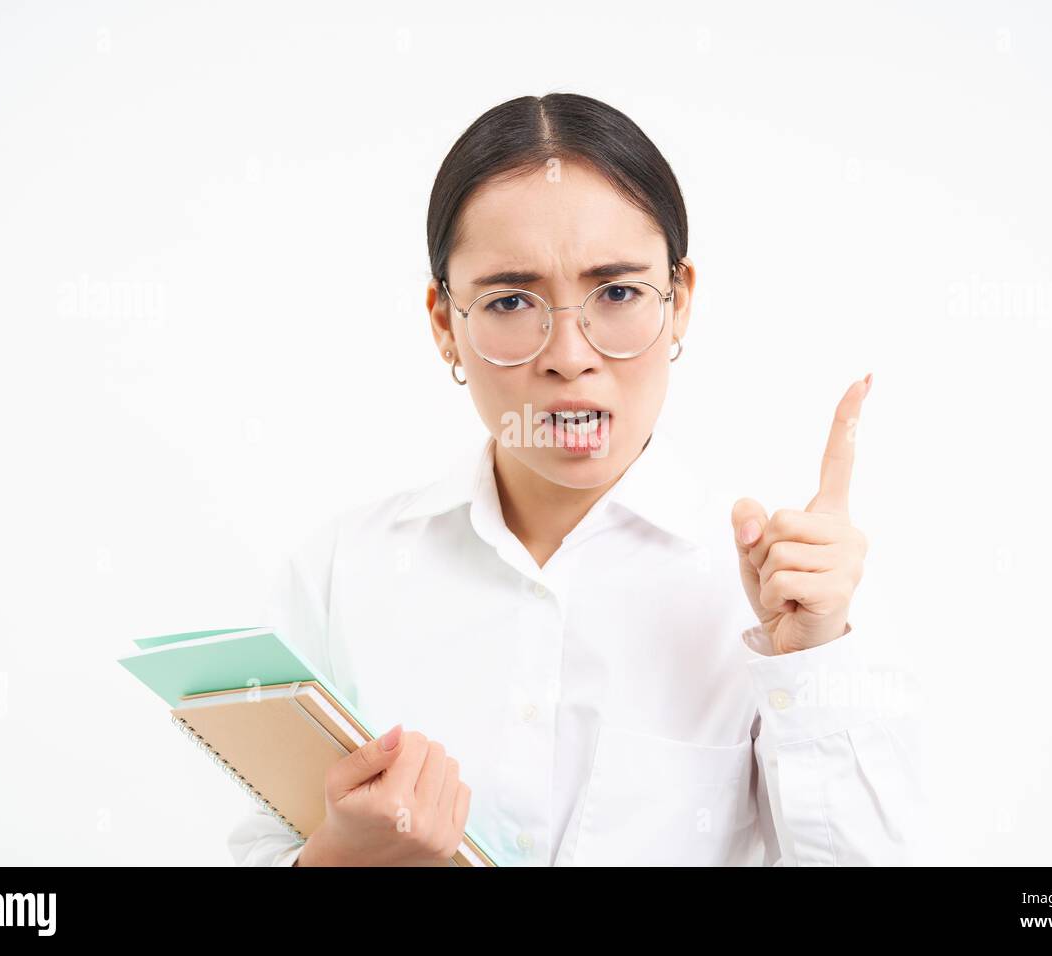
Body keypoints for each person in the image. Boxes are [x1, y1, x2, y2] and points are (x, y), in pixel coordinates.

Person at [227, 92, 917, 867]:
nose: (568, 353)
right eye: (512, 300)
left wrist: (808, 663)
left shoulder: (799, 592)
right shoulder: (339, 574)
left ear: (679, 301)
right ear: (443, 323)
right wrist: (337, 860)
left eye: (617, 293)